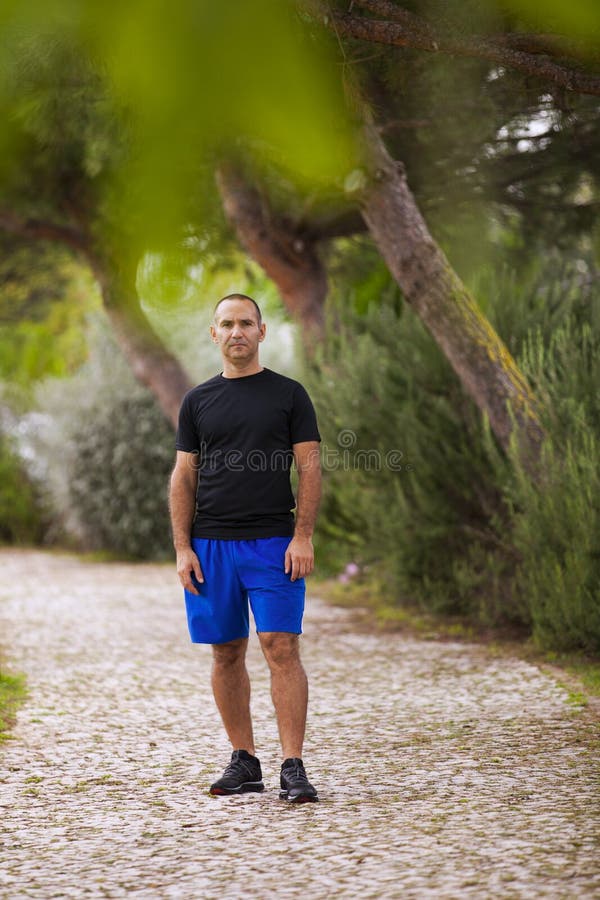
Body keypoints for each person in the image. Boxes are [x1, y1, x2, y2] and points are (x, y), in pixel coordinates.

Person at [169, 293, 322, 803]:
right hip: (210, 546)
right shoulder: (197, 401)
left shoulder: (290, 395)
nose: (237, 332)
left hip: (274, 544)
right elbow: (183, 476)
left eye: (246, 323)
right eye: (227, 324)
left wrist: (302, 536)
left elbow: (311, 468)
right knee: (226, 651)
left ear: (262, 332)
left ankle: (293, 766)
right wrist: (182, 547)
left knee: (281, 646)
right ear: (214, 334)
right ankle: (245, 759)